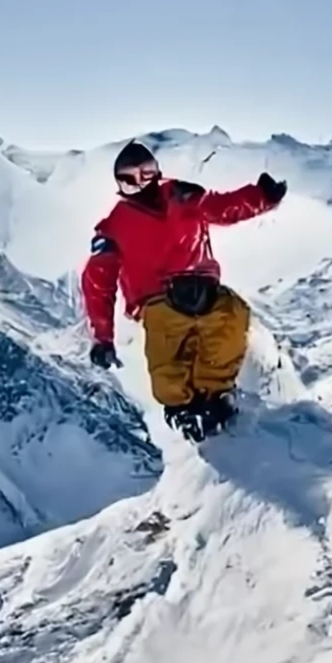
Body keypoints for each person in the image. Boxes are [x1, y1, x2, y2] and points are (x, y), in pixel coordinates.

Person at [80, 140, 287, 442]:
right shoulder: (114, 227)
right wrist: (102, 337)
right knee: (169, 346)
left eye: (147, 173)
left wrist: (262, 197)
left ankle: (216, 396)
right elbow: (99, 280)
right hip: (156, 297)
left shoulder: (182, 195)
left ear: (157, 171)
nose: (141, 183)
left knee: (231, 315)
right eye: (130, 178)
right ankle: (181, 407)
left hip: (202, 286)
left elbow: (223, 207)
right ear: (119, 184)